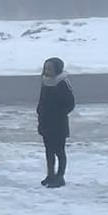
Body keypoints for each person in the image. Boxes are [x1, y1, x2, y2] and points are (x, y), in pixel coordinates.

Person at [37, 57, 75, 188]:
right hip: (45, 123)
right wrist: (40, 115)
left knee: (59, 151)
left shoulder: (63, 83)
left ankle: (60, 177)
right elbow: (41, 101)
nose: (47, 71)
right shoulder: (45, 82)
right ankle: (50, 174)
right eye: (45, 68)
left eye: (50, 69)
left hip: (58, 124)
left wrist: (57, 113)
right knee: (48, 151)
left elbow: (70, 104)